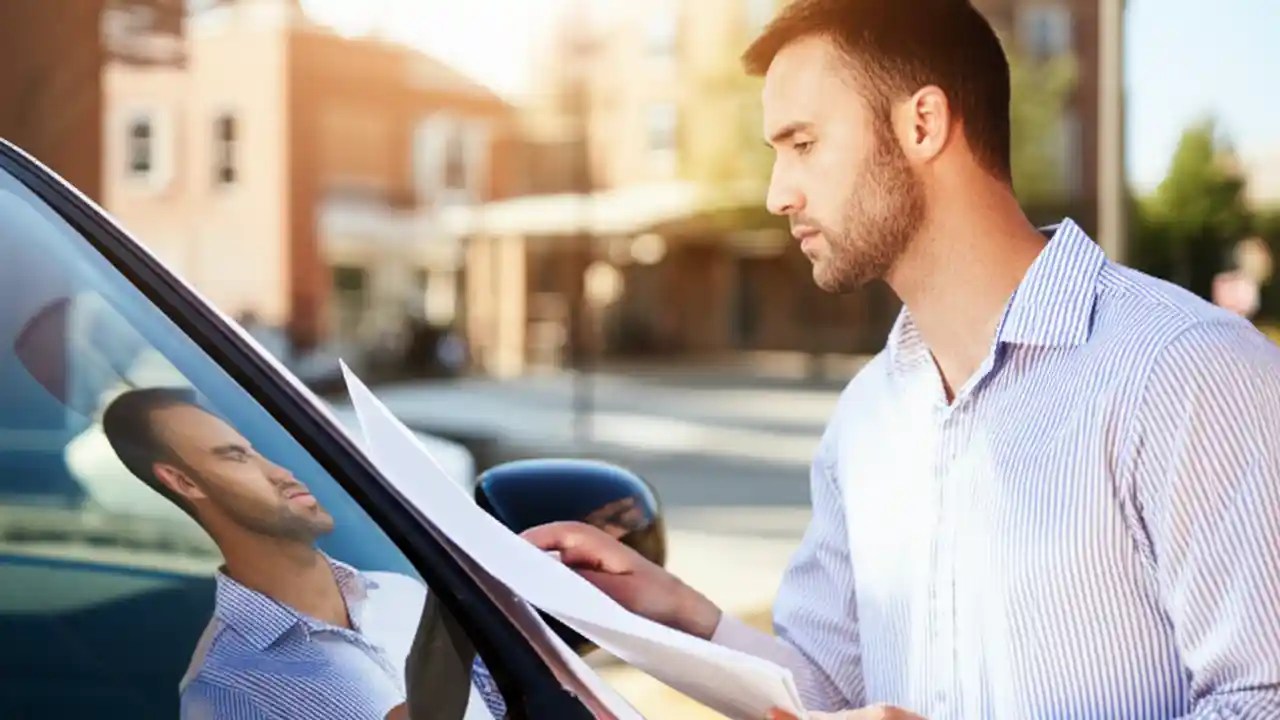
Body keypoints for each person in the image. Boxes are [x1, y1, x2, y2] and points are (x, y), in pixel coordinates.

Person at [523, 0, 1280, 718]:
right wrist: (678, 612)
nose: (778, 193)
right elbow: (828, 688)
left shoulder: (1188, 372)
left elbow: (1264, 696)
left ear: (922, 123)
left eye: (804, 145)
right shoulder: (866, 418)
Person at [101, 387, 507, 720]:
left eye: (260, 451)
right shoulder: (224, 689)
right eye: (237, 456)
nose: (281, 473)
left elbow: (519, 702)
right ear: (184, 481)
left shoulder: (402, 593)